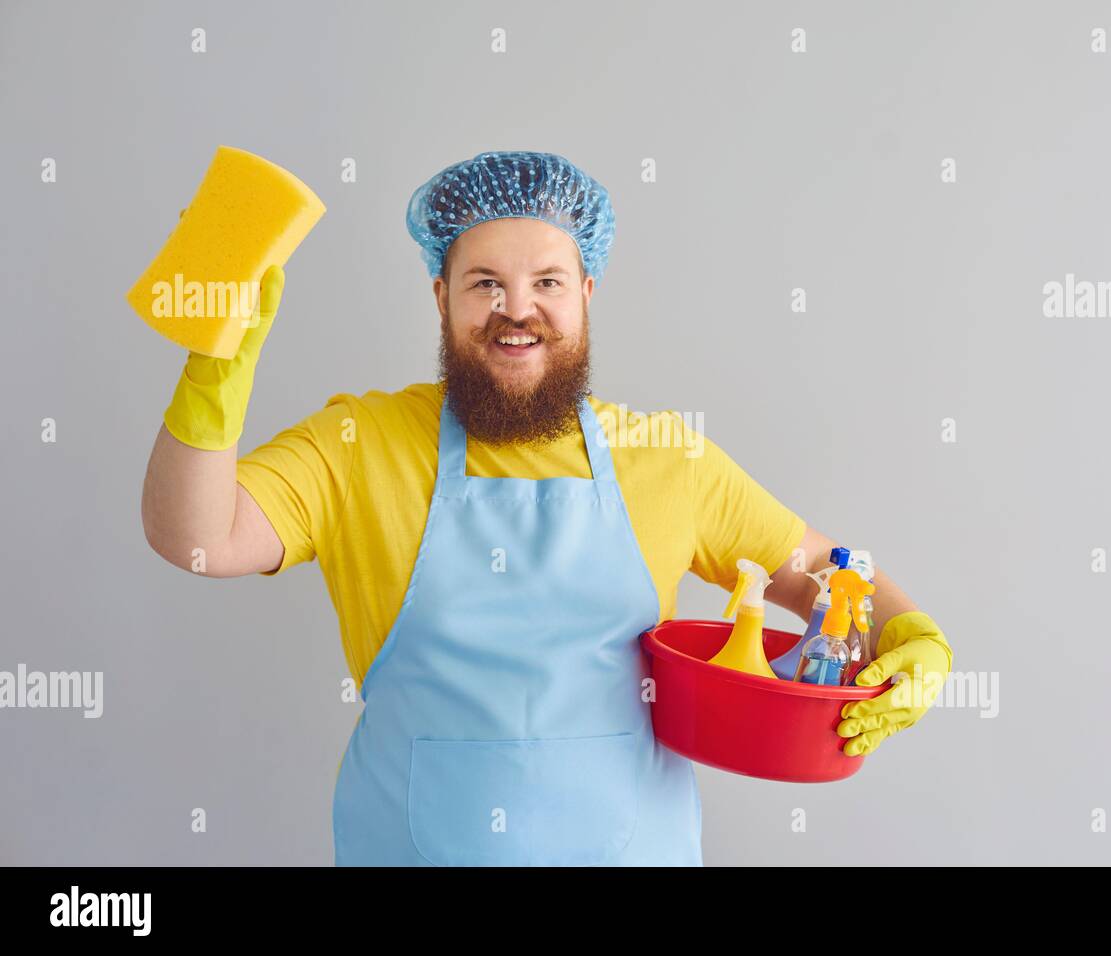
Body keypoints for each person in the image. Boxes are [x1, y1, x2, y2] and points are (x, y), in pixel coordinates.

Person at [140, 150, 952, 866]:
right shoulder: (361, 442)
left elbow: (829, 578)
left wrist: (912, 634)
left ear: (588, 291)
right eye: (485, 283)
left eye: (548, 283)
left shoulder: (669, 458)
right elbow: (199, 538)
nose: (516, 310)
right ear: (440, 296)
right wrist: (216, 372)